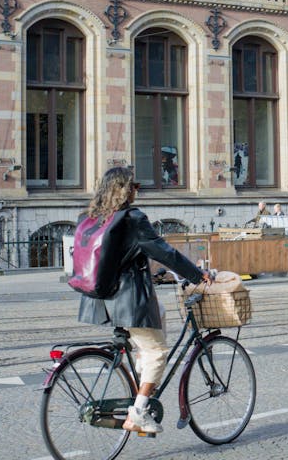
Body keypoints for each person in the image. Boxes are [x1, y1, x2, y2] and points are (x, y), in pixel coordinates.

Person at [77, 166, 212, 433]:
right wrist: (197, 274)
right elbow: (164, 252)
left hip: (101, 298)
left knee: (158, 311)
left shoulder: (93, 216)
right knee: (157, 351)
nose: (137, 191)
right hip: (127, 301)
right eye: (135, 186)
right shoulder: (132, 218)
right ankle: (138, 412)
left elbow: (121, 256)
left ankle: (142, 374)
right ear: (126, 190)